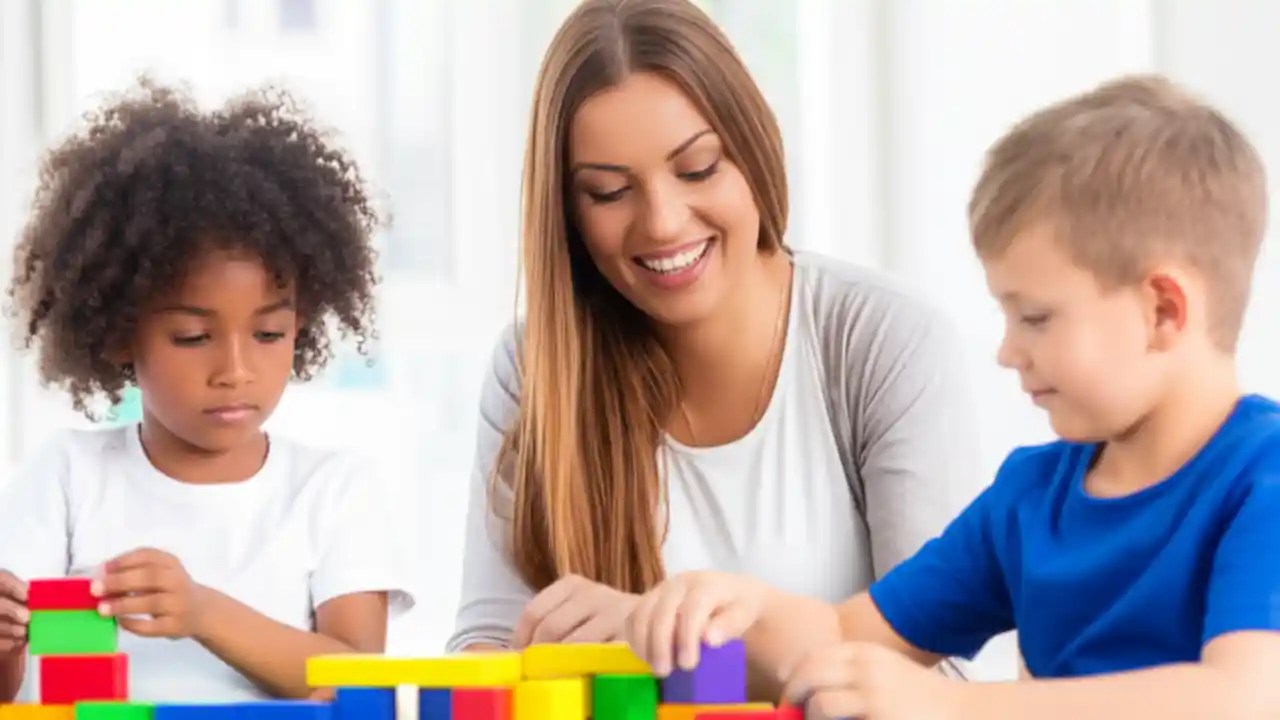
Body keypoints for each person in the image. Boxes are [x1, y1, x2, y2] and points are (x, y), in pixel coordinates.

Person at [623, 74, 1280, 719]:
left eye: (1036, 318)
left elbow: (1239, 699)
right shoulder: (1028, 498)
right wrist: (747, 609)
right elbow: (843, 638)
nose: (1006, 351)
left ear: (1163, 308)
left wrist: (957, 705)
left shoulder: (1263, 482)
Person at [448, 0, 982, 690]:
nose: (663, 222)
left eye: (697, 169)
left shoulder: (881, 343)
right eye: (609, 193)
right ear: (568, 215)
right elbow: (485, 652)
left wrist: (655, 636)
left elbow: (940, 682)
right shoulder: (535, 366)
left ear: (753, 152)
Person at [0, 81, 414, 702]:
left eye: (269, 332)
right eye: (193, 337)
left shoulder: (333, 491)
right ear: (118, 334)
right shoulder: (66, 476)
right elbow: (16, 694)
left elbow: (356, 681)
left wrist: (202, 613)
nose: (235, 369)